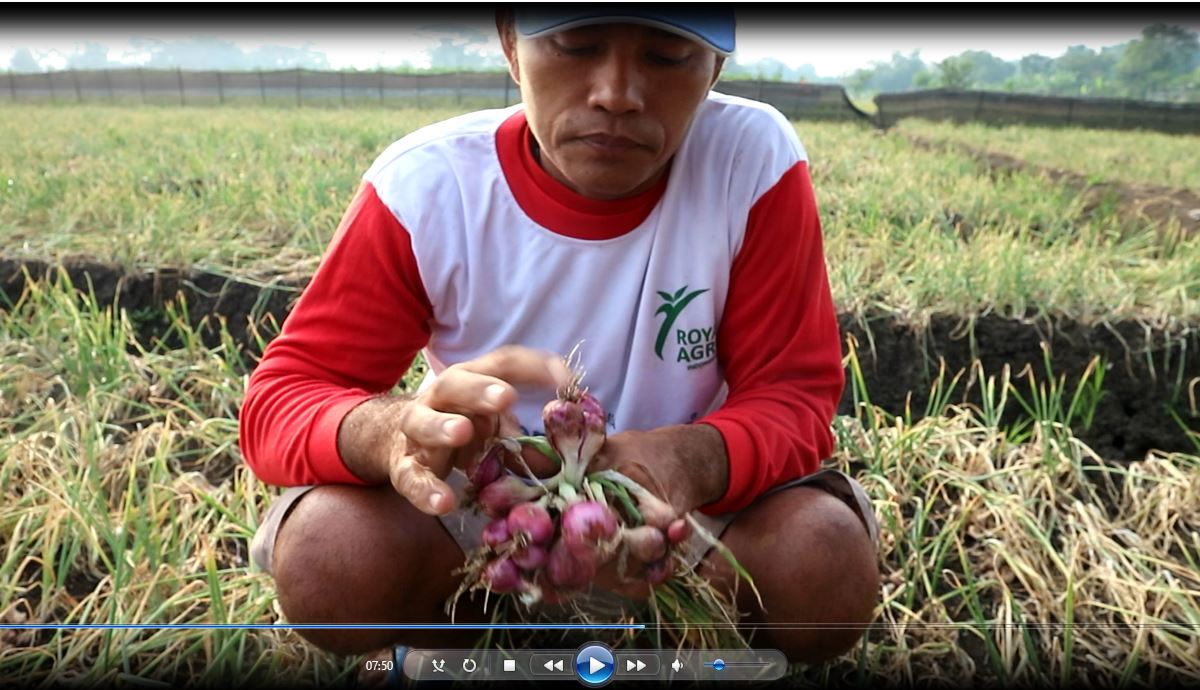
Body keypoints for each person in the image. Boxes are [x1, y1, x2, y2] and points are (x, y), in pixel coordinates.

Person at [240, 5, 881, 673]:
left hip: (690, 523)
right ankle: (472, 650)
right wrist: (393, 431)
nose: (617, 94)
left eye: (666, 57)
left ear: (715, 67)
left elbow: (795, 395)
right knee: (332, 558)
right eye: (576, 45)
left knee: (820, 565)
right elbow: (280, 400)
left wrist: (688, 459)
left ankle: (677, 647)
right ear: (511, 45)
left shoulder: (750, 161)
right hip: (486, 524)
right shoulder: (429, 185)